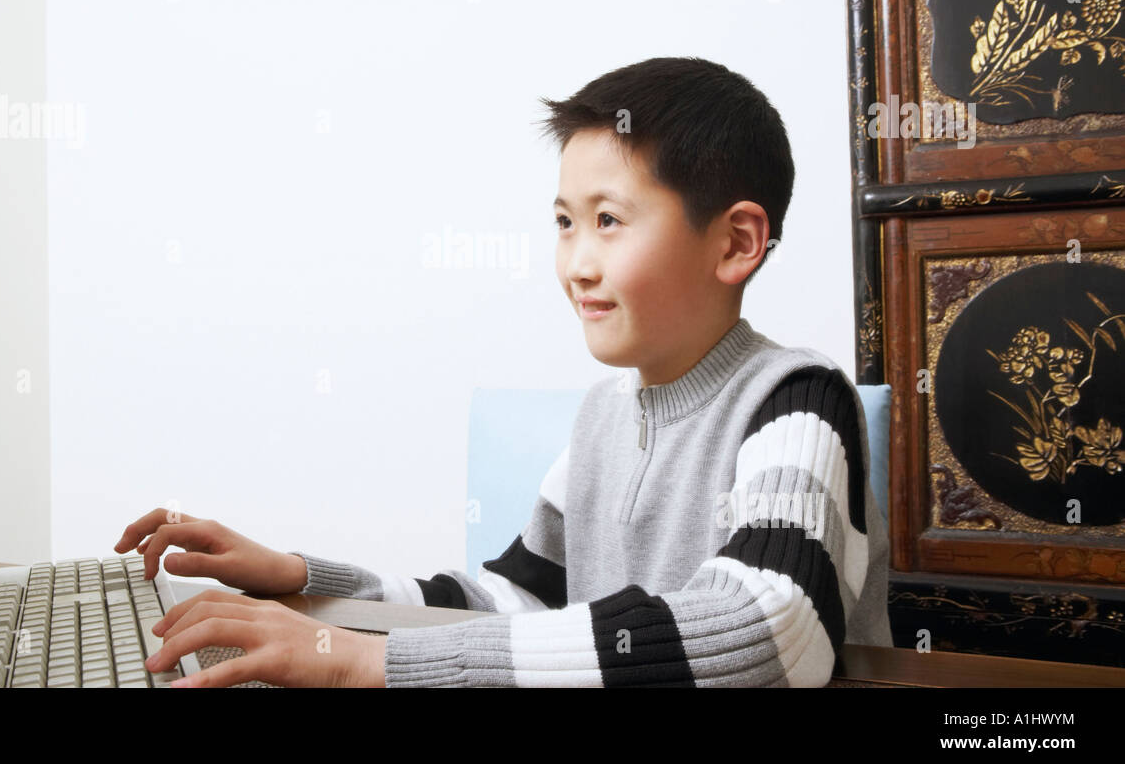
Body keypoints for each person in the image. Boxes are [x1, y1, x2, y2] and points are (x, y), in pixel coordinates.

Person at [115, 56, 893, 687]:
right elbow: (508, 598)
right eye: (564, 223)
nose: (576, 263)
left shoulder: (798, 400)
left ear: (735, 244)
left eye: (609, 221)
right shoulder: (602, 418)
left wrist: (368, 663)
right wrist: (302, 577)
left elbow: (767, 633)